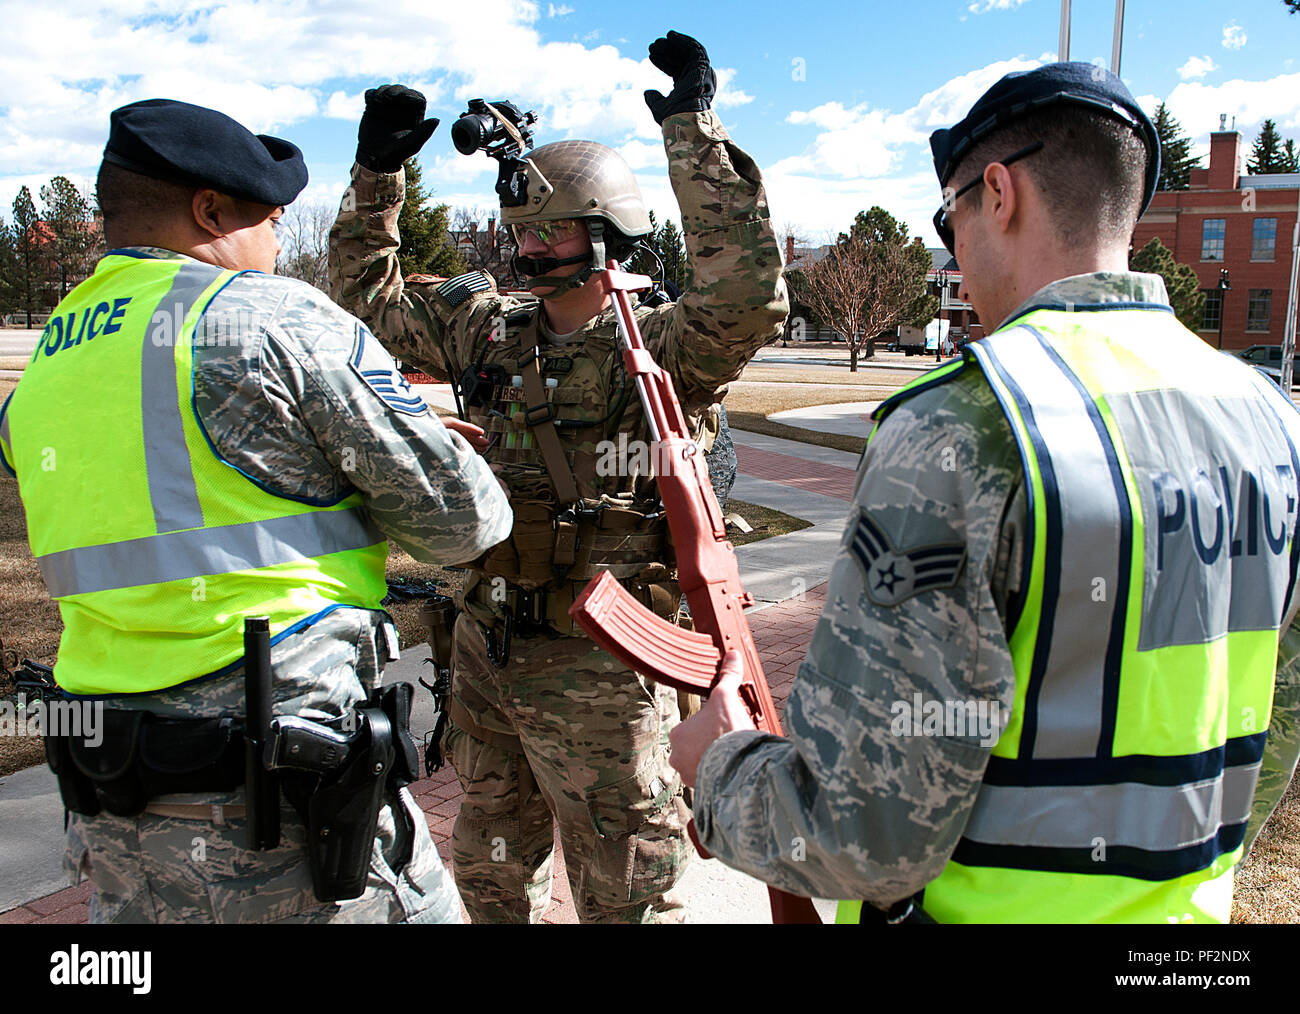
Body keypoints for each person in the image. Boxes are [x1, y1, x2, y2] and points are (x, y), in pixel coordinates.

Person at [668, 62, 1300, 924]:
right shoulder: (1272, 420)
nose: (956, 255)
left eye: (949, 216)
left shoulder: (964, 425)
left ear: (997, 194)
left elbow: (862, 831)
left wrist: (719, 768)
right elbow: (1278, 730)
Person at [0, 98, 512, 923]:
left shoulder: (57, 347)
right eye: (272, 221)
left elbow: (154, 475)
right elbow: (468, 523)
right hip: (280, 791)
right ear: (211, 212)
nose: (277, 243)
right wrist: (411, 446)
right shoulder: (265, 314)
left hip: (111, 785)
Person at [329, 30, 787, 923]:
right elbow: (366, 303)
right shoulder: (488, 329)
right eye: (521, 230)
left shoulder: (657, 348)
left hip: (603, 673)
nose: (528, 245)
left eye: (551, 229)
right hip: (488, 650)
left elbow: (747, 295)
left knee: (627, 893)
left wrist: (692, 133)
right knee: (492, 873)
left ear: (605, 233)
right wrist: (376, 178)